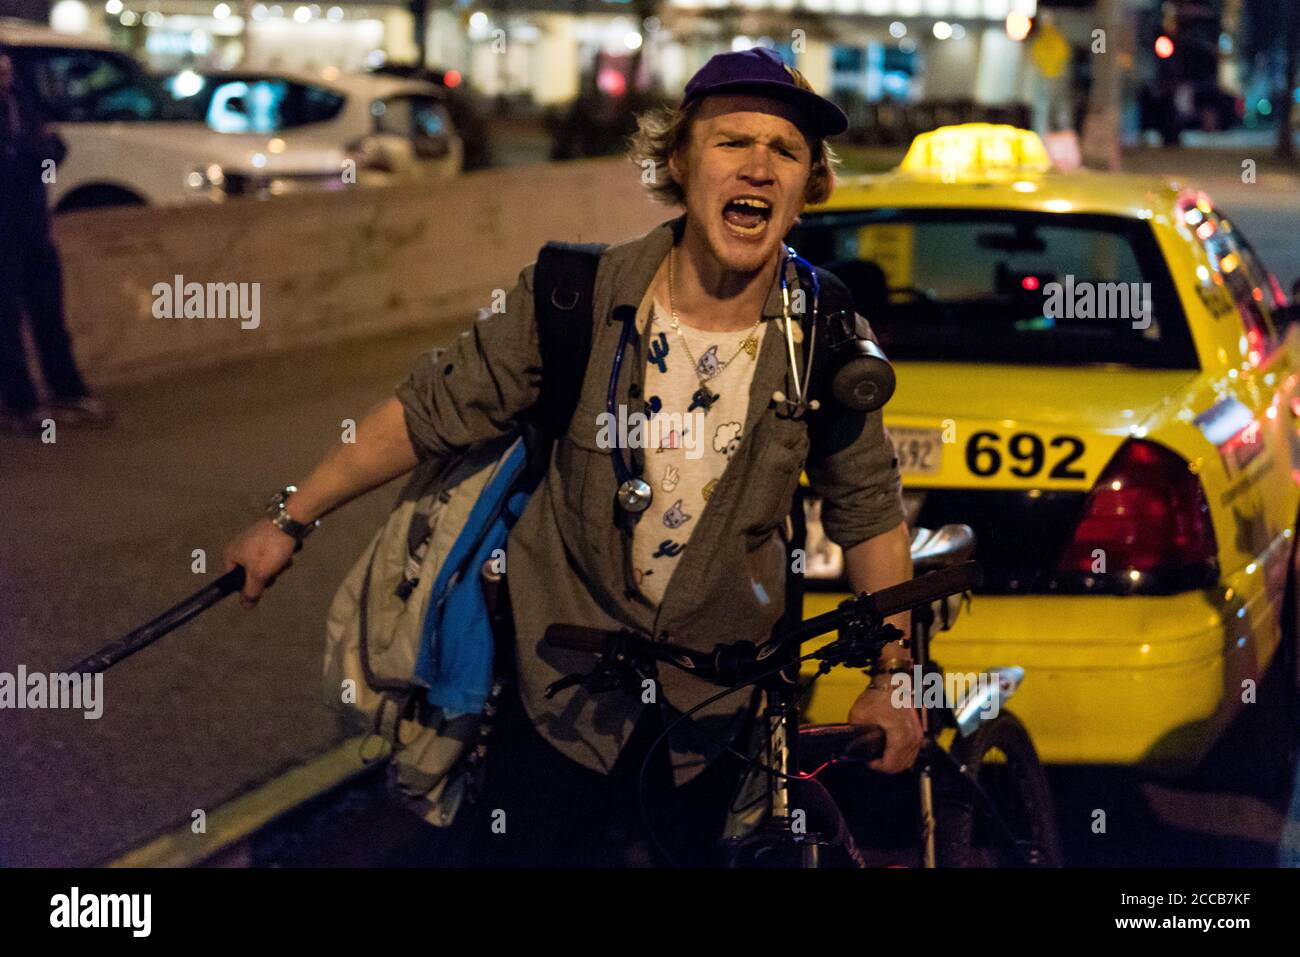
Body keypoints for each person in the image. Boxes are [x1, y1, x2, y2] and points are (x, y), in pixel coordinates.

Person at [223, 47, 916, 866]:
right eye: (733, 142)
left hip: (712, 721)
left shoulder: (823, 333)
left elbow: (867, 507)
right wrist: (288, 518)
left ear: (809, 188)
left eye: (787, 150)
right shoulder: (572, 298)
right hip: (554, 701)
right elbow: (426, 413)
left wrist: (894, 673)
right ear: (680, 162)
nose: (759, 166)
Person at [0, 53, 113, 436]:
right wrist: (28, 154)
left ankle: (66, 389)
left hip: (34, 226)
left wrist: (40, 153)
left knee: (49, 313)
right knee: (7, 321)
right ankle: (21, 402)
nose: (5, 73)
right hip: (6, 230)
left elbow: (51, 153)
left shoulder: (23, 103)